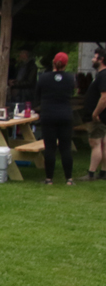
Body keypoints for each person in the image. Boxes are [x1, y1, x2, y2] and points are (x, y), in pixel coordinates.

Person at [34, 52, 76, 185]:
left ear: (53, 62)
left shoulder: (43, 78)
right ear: (66, 64)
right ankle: (69, 179)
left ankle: (49, 179)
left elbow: (37, 96)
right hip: (65, 115)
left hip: (48, 115)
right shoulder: (70, 78)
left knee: (50, 147)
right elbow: (72, 92)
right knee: (66, 147)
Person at [79, 47, 106, 181]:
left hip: (99, 116)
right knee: (103, 143)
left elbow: (104, 97)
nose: (92, 59)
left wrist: (95, 113)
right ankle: (103, 172)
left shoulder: (103, 75)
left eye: (95, 57)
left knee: (95, 143)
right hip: (102, 115)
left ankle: (91, 173)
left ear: (101, 59)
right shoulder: (101, 75)